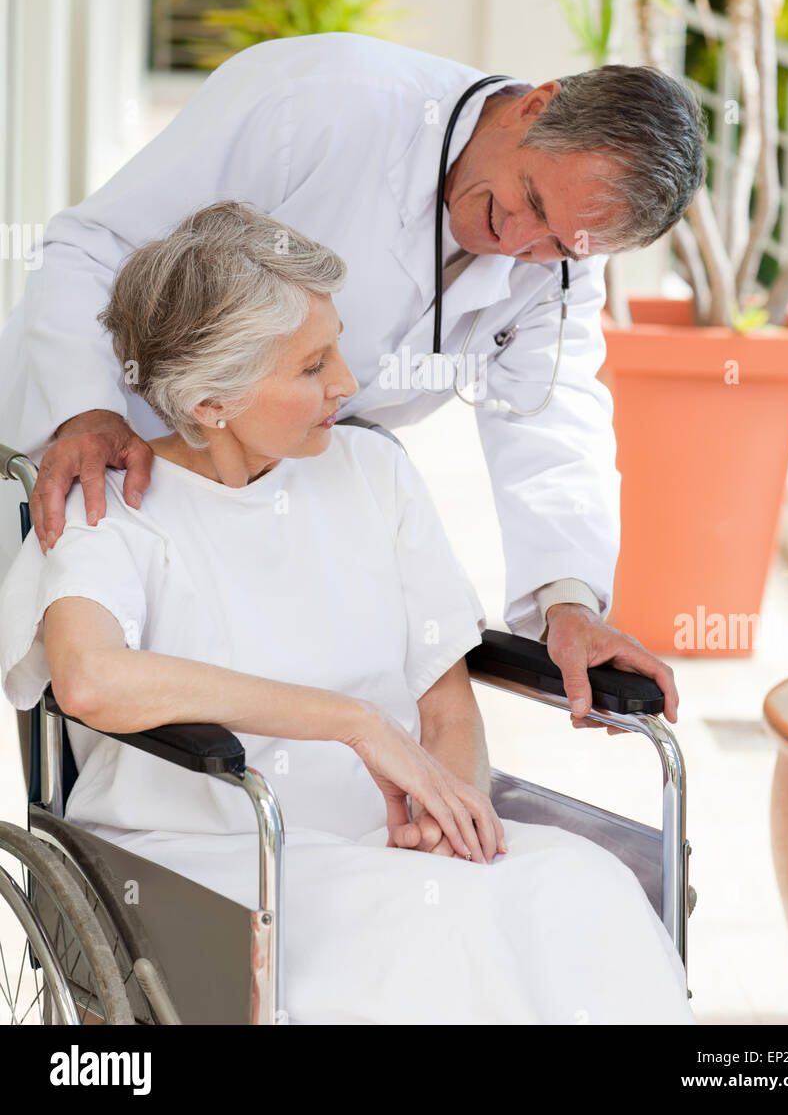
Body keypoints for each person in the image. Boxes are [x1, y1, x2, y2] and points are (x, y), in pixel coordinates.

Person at [0, 203, 695, 1025]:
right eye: (311, 366)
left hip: (390, 841)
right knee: (440, 953)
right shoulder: (111, 507)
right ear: (210, 401)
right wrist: (352, 722)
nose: (349, 383)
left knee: (587, 898)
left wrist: (451, 811)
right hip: (217, 859)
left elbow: (444, 705)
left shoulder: (374, 472)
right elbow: (88, 678)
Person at [0, 33, 705, 732]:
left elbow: (548, 418)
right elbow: (94, 247)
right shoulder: (328, 100)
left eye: (556, 246)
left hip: (295, 480)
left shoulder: (565, 254)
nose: (518, 246)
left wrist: (570, 604)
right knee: (104, 725)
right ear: (535, 107)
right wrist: (86, 412)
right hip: (123, 453)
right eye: (531, 202)